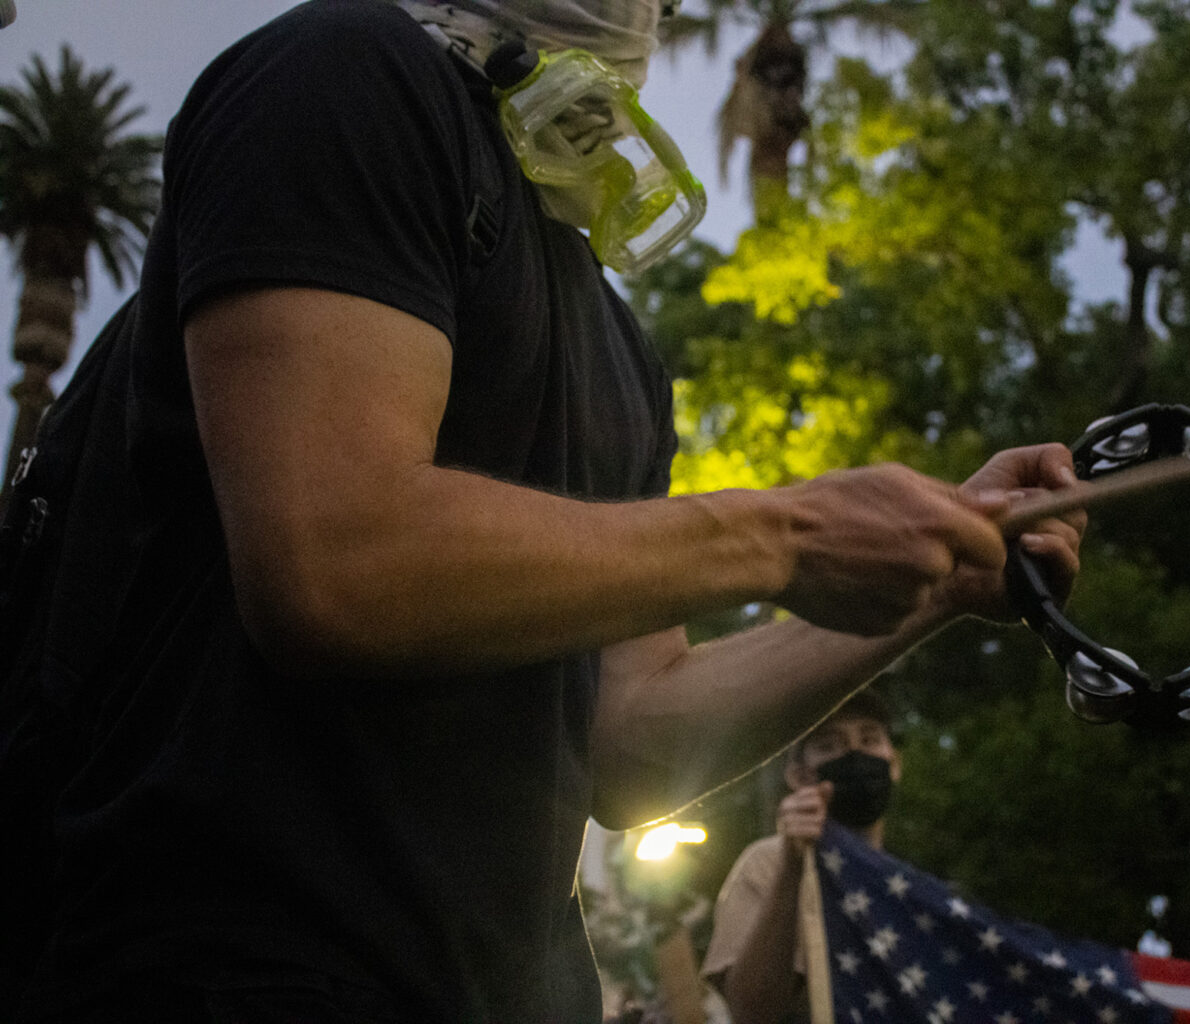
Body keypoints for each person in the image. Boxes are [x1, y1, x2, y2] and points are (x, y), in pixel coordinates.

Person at [0, 1, 1086, 1021]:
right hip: (229, 968)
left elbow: (630, 744)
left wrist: (933, 586)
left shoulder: (618, 345)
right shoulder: (340, 77)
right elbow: (332, 559)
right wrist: (785, 531)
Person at [701, 687, 899, 1024]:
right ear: (798, 775)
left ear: (894, 763)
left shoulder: (902, 884)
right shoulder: (769, 863)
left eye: (869, 739)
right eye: (828, 745)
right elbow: (752, 1012)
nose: (854, 754)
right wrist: (793, 867)